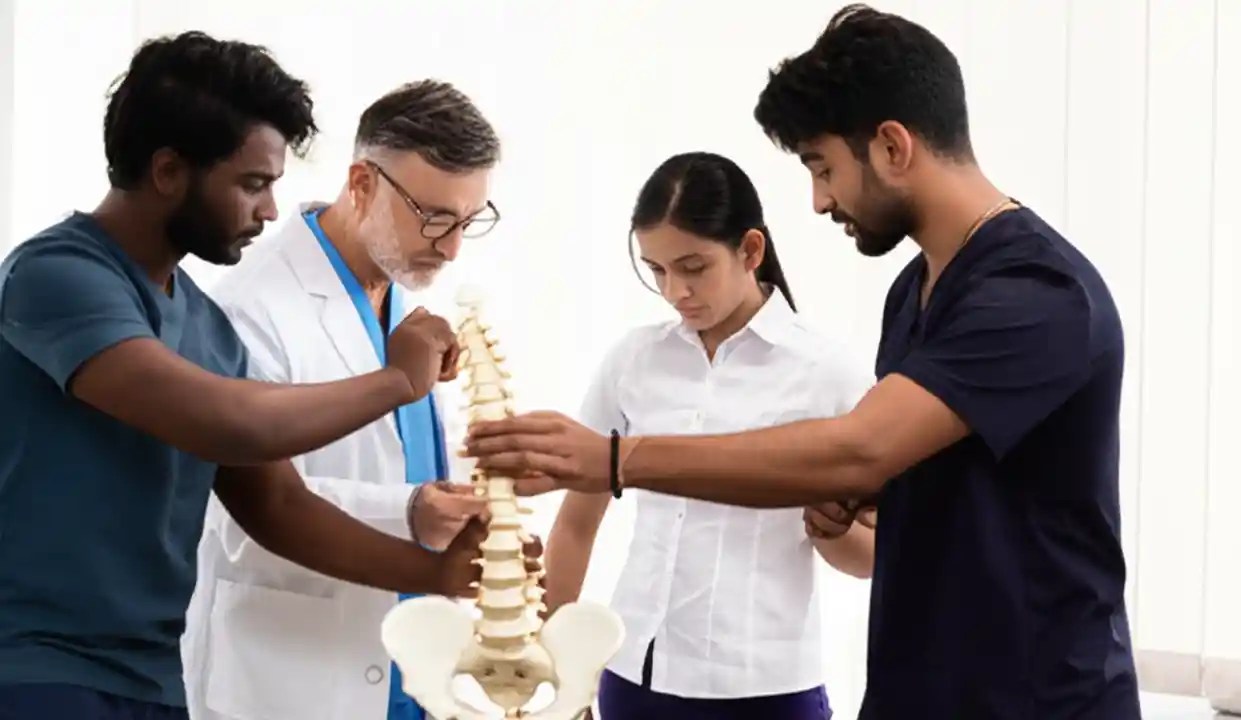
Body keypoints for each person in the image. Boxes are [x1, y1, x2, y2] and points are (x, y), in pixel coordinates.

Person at [463, 5, 1141, 720]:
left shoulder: (1036, 293)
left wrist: (615, 459)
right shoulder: (914, 293)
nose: (818, 201)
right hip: (920, 688)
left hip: (1036, 699)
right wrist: (859, 507)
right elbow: (919, 481)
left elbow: (860, 447)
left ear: (892, 146)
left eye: (824, 168)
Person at [0, 32, 493, 720]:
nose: (268, 209)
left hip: (150, 677)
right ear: (169, 171)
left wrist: (440, 572)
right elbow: (231, 423)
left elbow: (277, 505)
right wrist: (396, 382)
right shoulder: (56, 276)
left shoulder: (204, 326)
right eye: (253, 184)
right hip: (40, 667)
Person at [181, 79, 503, 720]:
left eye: (468, 222)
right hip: (293, 683)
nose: (451, 247)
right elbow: (238, 510)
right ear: (362, 184)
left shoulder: (405, 299)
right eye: (435, 217)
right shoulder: (250, 310)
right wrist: (410, 513)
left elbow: (400, 466)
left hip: (413, 675)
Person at [542, 151, 874, 720]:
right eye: (657, 271)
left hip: (768, 690)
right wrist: (558, 676)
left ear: (751, 250)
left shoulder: (827, 373)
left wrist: (830, 529)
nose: (675, 291)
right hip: (634, 677)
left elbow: (874, 556)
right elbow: (576, 524)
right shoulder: (633, 360)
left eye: (693, 267)